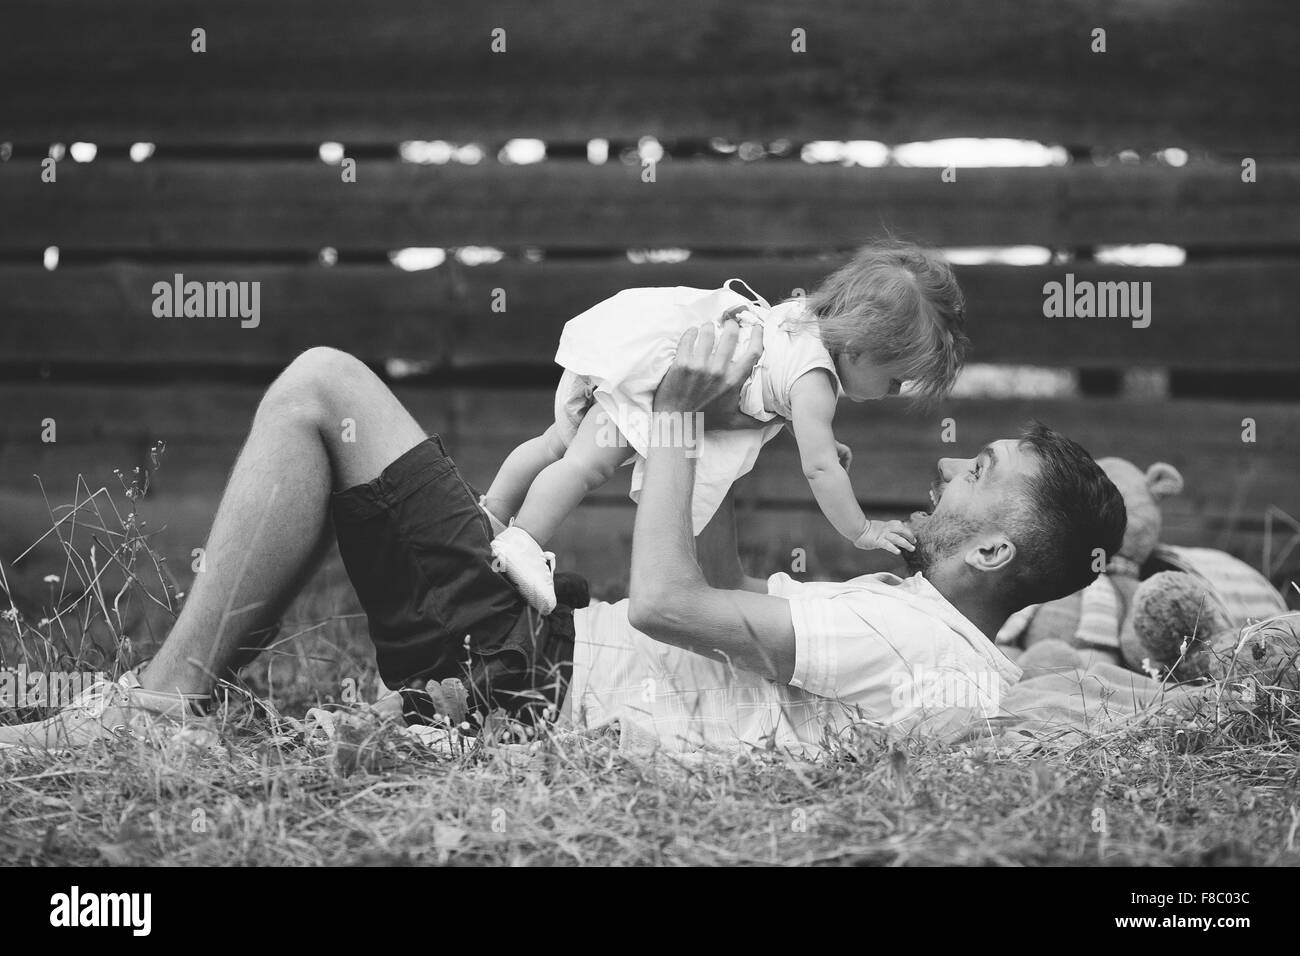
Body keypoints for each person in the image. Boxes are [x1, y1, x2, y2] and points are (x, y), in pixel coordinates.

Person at [0, 320, 1125, 754]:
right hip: (538, 656)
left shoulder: (905, 633)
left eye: (977, 472)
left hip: (525, 671)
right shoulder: (927, 634)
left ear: (992, 555)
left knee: (322, 384)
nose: (943, 462)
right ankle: (167, 699)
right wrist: (724, 443)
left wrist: (679, 417)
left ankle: (157, 711)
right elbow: (722, 605)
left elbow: (667, 606)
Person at [483, 241, 969, 613]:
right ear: (860, 349)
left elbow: (777, 383)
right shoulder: (817, 382)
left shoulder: (802, 323)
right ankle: (522, 542)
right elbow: (821, 471)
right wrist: (862, 530)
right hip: (663, 384)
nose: (893, 393)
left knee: (554, 445)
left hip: (644, 353)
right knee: (584, 468)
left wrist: (817, 433)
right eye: (895, 380)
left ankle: (492, 514)